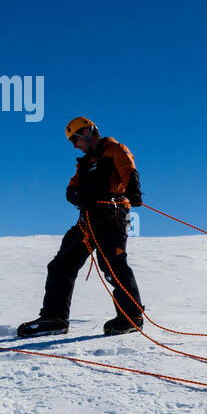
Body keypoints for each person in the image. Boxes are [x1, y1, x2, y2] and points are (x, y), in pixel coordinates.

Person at [17, 117, 146, 337]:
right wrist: (77, 197)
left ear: (87, 133)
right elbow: (71, 187)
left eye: (75, 140)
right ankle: (55, 318)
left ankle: (131, 317)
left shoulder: (115, 149)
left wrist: (133, 190)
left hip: (114, 215)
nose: (75, 145)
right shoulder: (84, 163)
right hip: (88, 218)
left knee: (113, 264)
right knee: (61, 265)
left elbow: (128, 169)